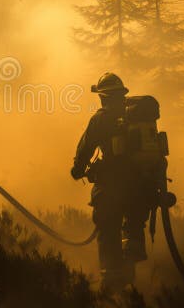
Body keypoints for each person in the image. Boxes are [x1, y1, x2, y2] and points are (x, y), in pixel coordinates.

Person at [70, 72, 156, 292]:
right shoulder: (135, 116)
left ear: (103, 97)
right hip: (140, 188)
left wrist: (77, 170)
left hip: (111, 188)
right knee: (132, 231)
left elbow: (85, 148)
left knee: (108, 231)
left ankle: (111, 285)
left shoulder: (101, 118)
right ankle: (132, 281)